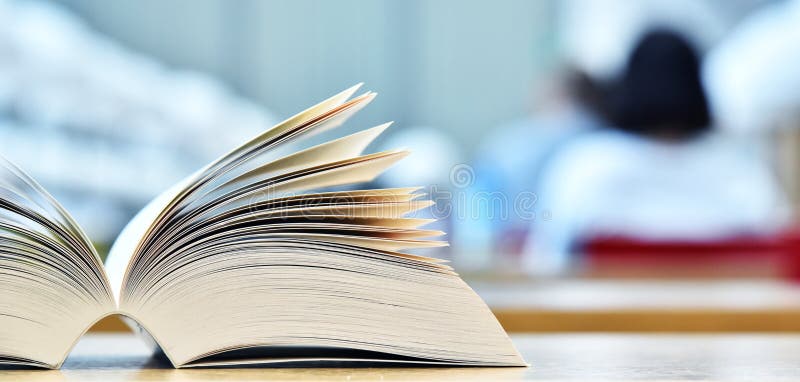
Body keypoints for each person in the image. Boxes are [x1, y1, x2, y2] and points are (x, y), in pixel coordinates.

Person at [522, 29, 788, 276]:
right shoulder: (740, 173)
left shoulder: (588, 166)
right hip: (729, 323)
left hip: (604, 322)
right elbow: (775, 259)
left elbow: (545, 261)